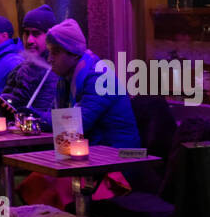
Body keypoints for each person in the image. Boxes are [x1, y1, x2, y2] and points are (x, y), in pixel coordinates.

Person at [32, 20, 141, 148]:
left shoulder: (100, 79)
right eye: (49, 52)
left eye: (55, 52)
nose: (49, 59)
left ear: (74, 53)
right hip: (96, 152)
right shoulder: (66, 79)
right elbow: (57, 118)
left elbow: (77, 123)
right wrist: (36, 117)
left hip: (123, 156)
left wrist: (36, 117)